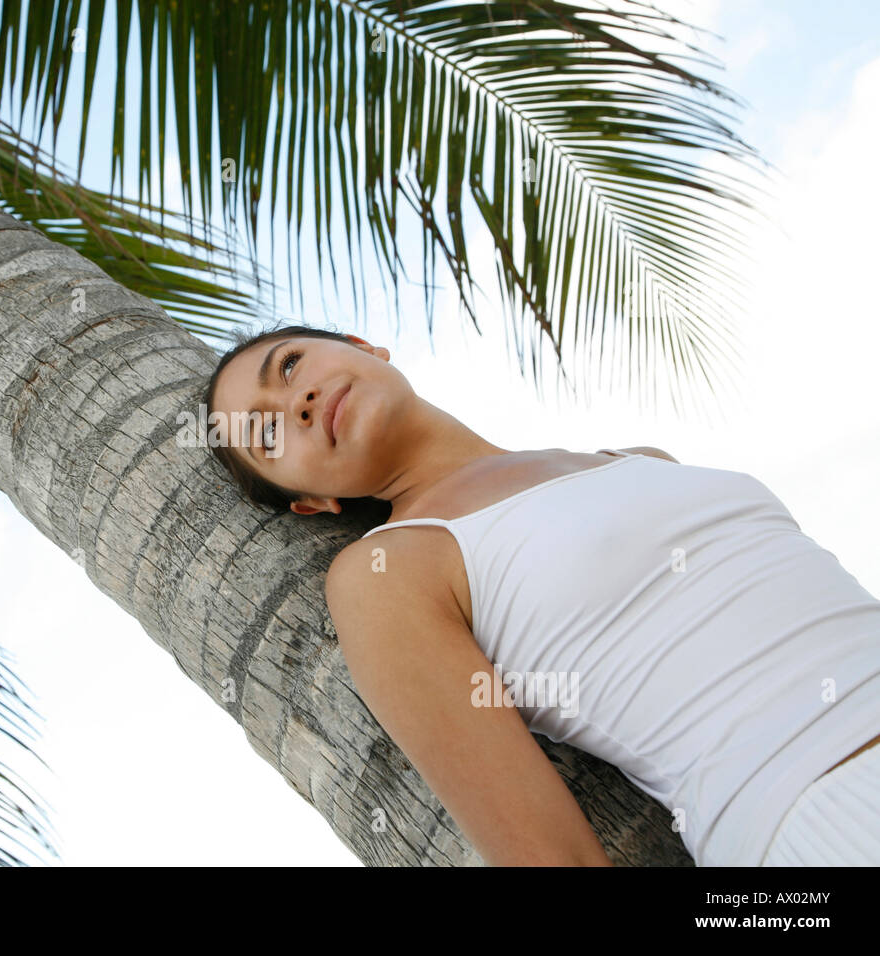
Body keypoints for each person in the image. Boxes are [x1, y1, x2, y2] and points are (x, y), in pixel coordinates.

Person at [202, 322, 880, 866]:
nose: (297, 402)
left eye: (290, 366)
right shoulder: (390, 571)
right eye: (267, 432)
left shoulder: (639, 459)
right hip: (821, 809)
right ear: (313, 502)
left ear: (363, 347)